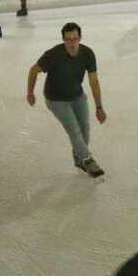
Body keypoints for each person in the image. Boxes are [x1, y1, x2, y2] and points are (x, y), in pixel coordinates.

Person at [27, 22, 107, 178]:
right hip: (56, 100)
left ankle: (79, 157)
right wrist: (30, 93)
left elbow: (94, 81)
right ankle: (87, 159)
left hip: (77, 96)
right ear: (63, 40)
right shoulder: (53, 55)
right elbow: (33, 70)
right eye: (68, 40)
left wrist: (99, 107)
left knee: (84, 128)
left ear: (80, 38)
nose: (72, 43)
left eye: (75, 39)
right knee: (74, 130)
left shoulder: (87, 53)